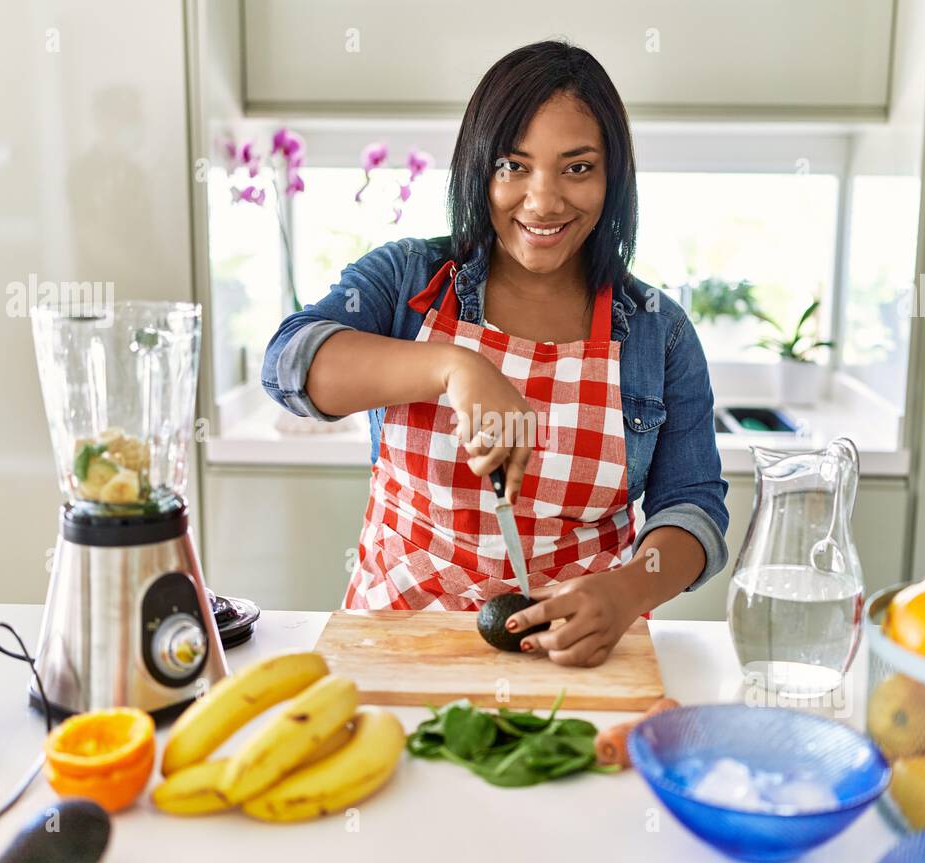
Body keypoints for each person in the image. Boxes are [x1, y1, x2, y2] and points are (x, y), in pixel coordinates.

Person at [264, 40, 729, 666]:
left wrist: (627, 589)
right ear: (478, 167)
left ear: (612, 175)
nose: (543, 202)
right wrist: (453, 367)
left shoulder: (658, 332)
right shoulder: (409, 279)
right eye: (514, 166)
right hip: (396, 640)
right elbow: (289, 364)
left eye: (578, 167)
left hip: (579, 654)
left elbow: (693, 506)